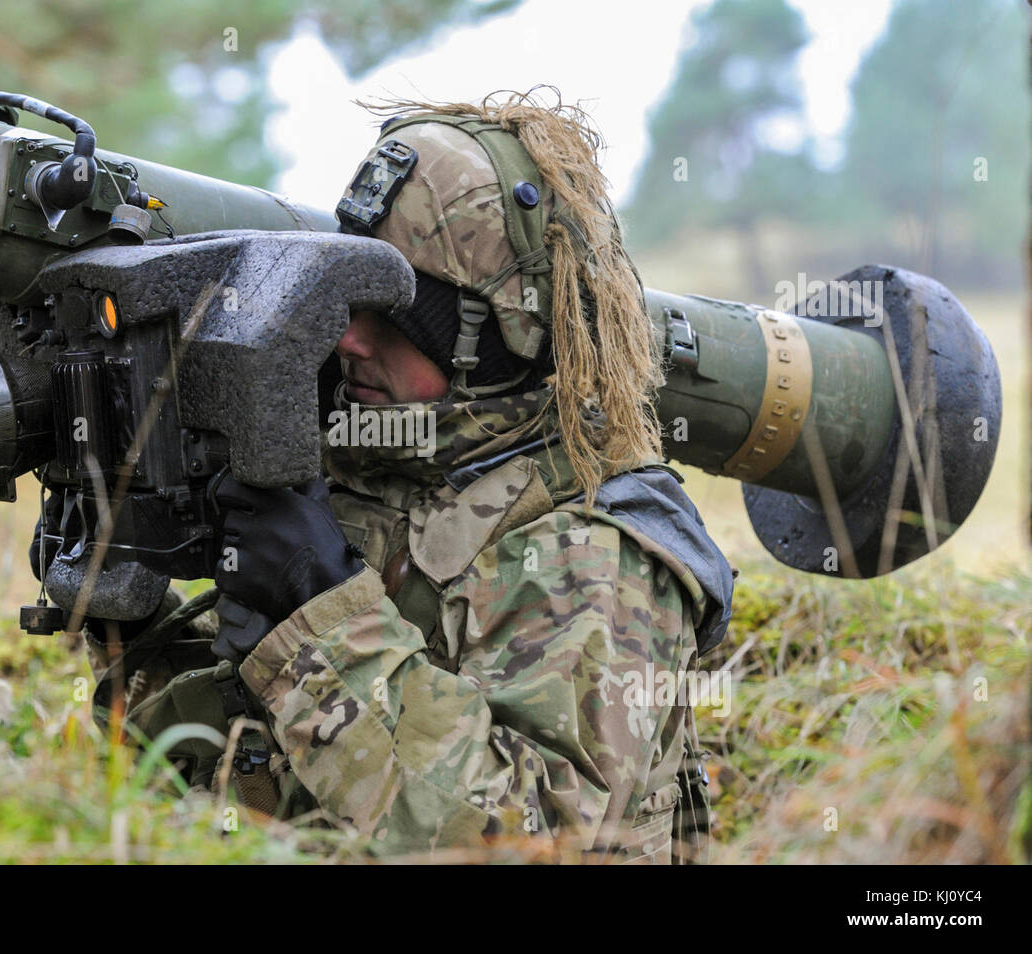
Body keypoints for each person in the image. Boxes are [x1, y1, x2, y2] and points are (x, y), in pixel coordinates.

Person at [95, 89, 734, 862]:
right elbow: (240, 764)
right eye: (345, 296)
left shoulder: (597, 555)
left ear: (498, 334)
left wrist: (320, 614)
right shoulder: (372, 474)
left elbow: (532, 840)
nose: (349, 337)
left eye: (393, 312)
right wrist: (127, 616)